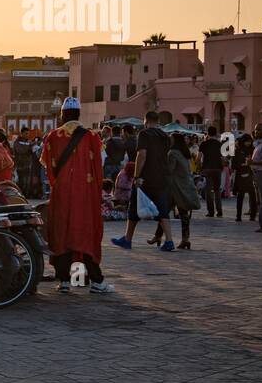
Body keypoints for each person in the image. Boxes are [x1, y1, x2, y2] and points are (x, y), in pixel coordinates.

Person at [40, 97, 114, 293]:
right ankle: (88, 280)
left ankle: (65, 281)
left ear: (62, 114)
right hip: (84, 194)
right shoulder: (91, 137)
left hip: (61, 193)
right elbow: (101, 164)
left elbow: (47, 166)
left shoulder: (53, 137)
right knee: (83, 234)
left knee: (63, 234)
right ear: (79, 114)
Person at [111, 109, 175, 252]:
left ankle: (127, 239)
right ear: (157, 121)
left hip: (146, 177)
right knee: (162, 208)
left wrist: (137, 175)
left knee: (133, 207)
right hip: (162, 176)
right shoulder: (165, 136)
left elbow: (142, 155)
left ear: (145, 121)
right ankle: (169, 240)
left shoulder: (144, 134)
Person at [152, 131, 199, 249]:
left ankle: (158, 236)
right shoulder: (185, 153)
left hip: (174, 188)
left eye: (171, 138)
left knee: (164, 212)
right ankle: (185, 239)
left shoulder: (172, 153)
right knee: (183, 214)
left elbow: (169, 170)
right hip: (184, 186)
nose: (169, 140)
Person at [199, 126, 224, 217]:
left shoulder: (203, 144)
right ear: (216, 133)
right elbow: (224, 158)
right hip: (217, 168)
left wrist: (199, 167)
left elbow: (198, 157)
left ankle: (211, 211)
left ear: (208, 133)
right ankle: (219, 210)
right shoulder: (220, 144)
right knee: (217, 190)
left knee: (208, 191)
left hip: (207, 168)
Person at [234, 131, 256, 222]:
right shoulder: (237, 151)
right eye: (247, 141)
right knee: (240, 196)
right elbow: (234, 165)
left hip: (250, 175)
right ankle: (238, 216)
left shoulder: (253, 149)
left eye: (250, 141)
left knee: (253, 196)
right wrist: (242, 164)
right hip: (240, 176)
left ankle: (253, 215)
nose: (249, 143)